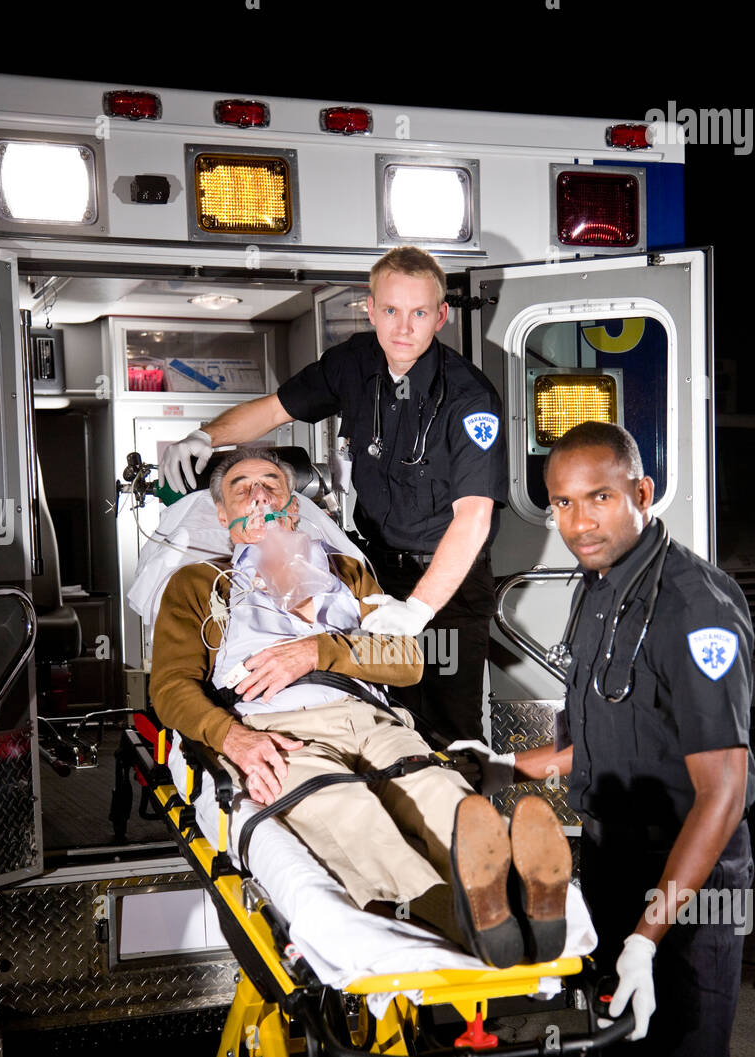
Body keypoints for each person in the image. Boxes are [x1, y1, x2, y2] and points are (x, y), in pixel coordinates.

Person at [453, 421, 755, 1057]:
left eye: (597, 496)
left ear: (641, 493)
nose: (578, 519)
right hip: (611, 881)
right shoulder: (595, 591)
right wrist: (511, 767)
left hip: (687, 904)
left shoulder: (695, 605)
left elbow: (722, 790)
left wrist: (648, 939)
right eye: (560, 503)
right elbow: (613, 741)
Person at [149, 447, 568, 970]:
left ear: (294, 506)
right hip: (276, 728)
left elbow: (407, 660)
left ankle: (511, 893)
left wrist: (320, 650)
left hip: (370, 719)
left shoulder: (346, 572)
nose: (258, 494)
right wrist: (234, 738)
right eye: (242, 488)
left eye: (271, 485)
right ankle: (465, 917)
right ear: (222, 516)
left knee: (436, 790)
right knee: (350, 810)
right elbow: (168, 687)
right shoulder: (197, 585)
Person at [159, 247, 508, 743]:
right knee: (385, 707)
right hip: (373, 569)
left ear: (442, 315)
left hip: (445, 582)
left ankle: (453, 809)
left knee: (448, 726)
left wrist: (420, 609)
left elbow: (473, 519)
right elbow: (276, 409)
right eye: (390, 310)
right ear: (369, 308)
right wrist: (205, 436)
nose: (403, 327)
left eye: (419, 313)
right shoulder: (353, 364)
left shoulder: (469, 399)